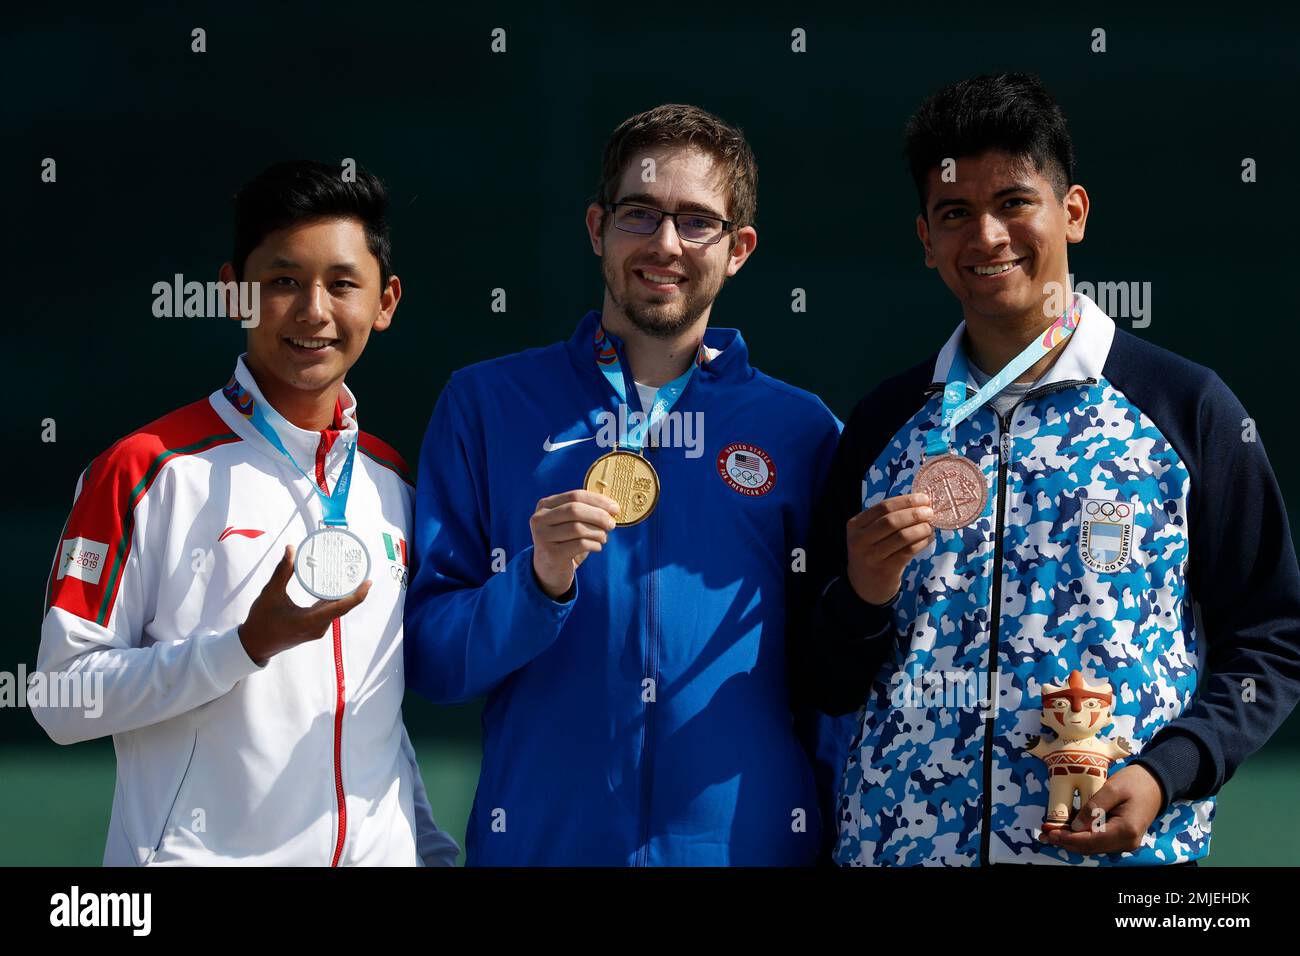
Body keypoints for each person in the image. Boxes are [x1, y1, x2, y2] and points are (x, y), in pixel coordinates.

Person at [797, 73, 1300, 866]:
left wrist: (1169, 774)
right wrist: (860, 596)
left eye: (1014, 203)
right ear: (926, 241)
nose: (987, 236)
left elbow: (1275, 637)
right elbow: (821, 681)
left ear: (1073, 212)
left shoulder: (1187, 407)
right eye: (955, 213)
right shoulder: (883, 428)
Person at [405, 103, 852, 865]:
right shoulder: (485, 405)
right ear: (596, 228)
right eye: (640, 214)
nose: (665, 245)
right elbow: (431, 661)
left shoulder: (802, 431)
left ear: (739, 248)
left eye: (696, 221)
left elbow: (838, 679)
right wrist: (535, 587)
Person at [32, 160, 459, 866]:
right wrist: (243, 646)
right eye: (283, 281)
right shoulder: (145, 469)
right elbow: (57, 699)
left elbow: (367, 717)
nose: (314, 311)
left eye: (342, 284)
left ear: (385, 302)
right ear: (232, 293)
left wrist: (431, 849)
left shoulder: (392, 481)